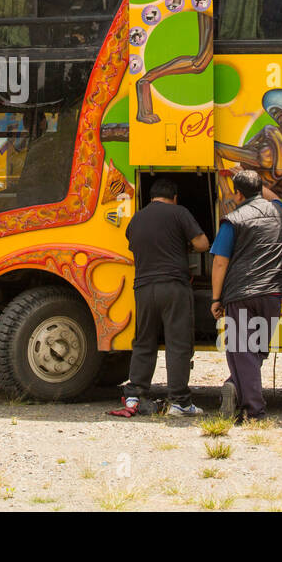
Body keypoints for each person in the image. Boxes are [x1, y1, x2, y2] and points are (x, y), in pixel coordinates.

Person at [114, 176, 210, 417]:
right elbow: (202, 243)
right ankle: (179, 401)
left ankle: (135, 394)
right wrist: (184, 244)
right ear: (174, 197)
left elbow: (133, 245)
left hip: (144, 288)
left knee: (144, 341)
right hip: (173, 287)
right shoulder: (179, 212)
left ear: (151, 197)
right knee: (177, 344)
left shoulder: (136, 219)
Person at [210, 168, 282, 422]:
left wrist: (215, 299)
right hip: (272, 294)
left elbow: (220, 262)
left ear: (237, 193)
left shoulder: (232, 220)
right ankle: (236, 386)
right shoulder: (278, 212)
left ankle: (255, 412)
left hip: (242, 293)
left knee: (241, 350)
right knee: (256, 351)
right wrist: (249, 179)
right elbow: (274, 196)